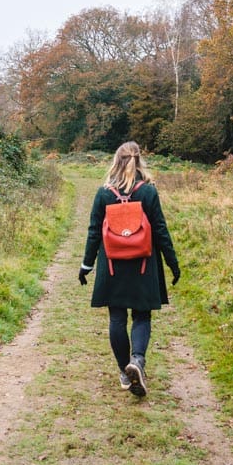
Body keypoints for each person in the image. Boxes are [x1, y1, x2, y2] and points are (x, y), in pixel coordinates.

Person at [78, 141, 180, 397]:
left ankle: (125, 372)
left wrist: (86, 265)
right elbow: (160, 231)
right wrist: (172, 263)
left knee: (117, 318)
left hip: (112, 266)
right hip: (143, 264)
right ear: (139, 161)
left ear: (116, 161)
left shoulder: (104, 194)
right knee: (142, 316)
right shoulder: (148, 192)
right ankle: (137, 360)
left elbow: (93, 233)